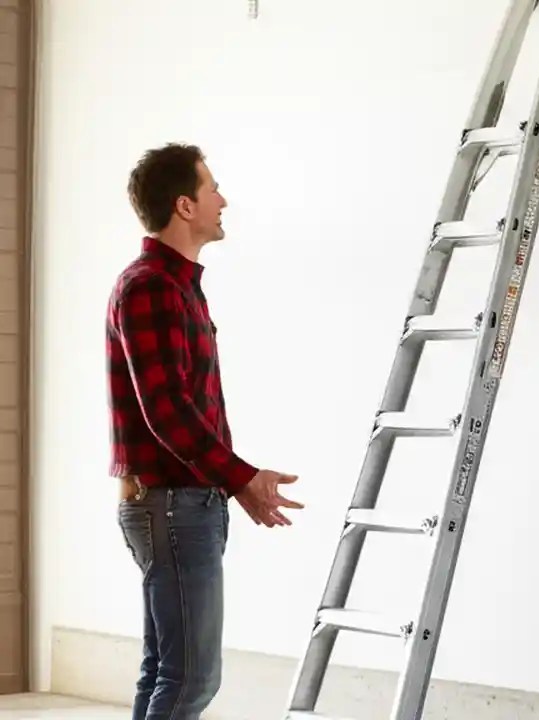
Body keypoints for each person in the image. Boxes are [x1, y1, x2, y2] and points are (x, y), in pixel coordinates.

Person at [105, 142, 303, 719]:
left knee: (166, 672)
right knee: (191, 680)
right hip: (172, 505)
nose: (224, 200)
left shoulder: (177, 285)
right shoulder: (151, 287)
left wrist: (232, 485)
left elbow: (184, 409)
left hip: (182, 501)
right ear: (184, 205)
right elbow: (165, 411)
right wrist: (242, 477)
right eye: (212, 187)